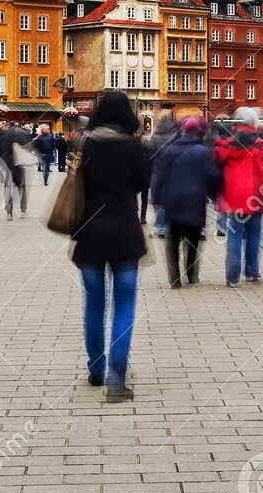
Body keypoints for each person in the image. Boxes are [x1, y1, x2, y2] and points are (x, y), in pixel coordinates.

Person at [69, 91, 150, 402]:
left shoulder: (84, 145)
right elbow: (145, 183)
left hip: (89, 234)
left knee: (94, 305)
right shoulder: (133, 147)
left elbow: (74, 182)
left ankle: (96, 367)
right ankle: (116, 375)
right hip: (125, 236)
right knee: (124, 305)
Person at [151, 116, 221, 287]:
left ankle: (175, 278)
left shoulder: (168, 150)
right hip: (195, 202)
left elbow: (159, 177)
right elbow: (212, 177)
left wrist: (157, 199)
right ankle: (191, 275)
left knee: (173, 240)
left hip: (172, 202)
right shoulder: (203, 152)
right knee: (193, 241)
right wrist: (215, 197)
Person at [215, 107, 263, 287]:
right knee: (254, 235)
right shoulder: (260, 143)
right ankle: (251, 273)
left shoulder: (227, 143)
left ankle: (232, 277)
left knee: (234, 235)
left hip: (234, 194)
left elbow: (217, 165)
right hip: (256, 194)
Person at [0, 120, 33, 220]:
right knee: (22, 187)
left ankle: (9, 212)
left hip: (6, 164)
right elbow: (28, 148)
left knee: (7, 187)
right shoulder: (21, 134)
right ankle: (23, 210)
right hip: (18, 163)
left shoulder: (2, 135)